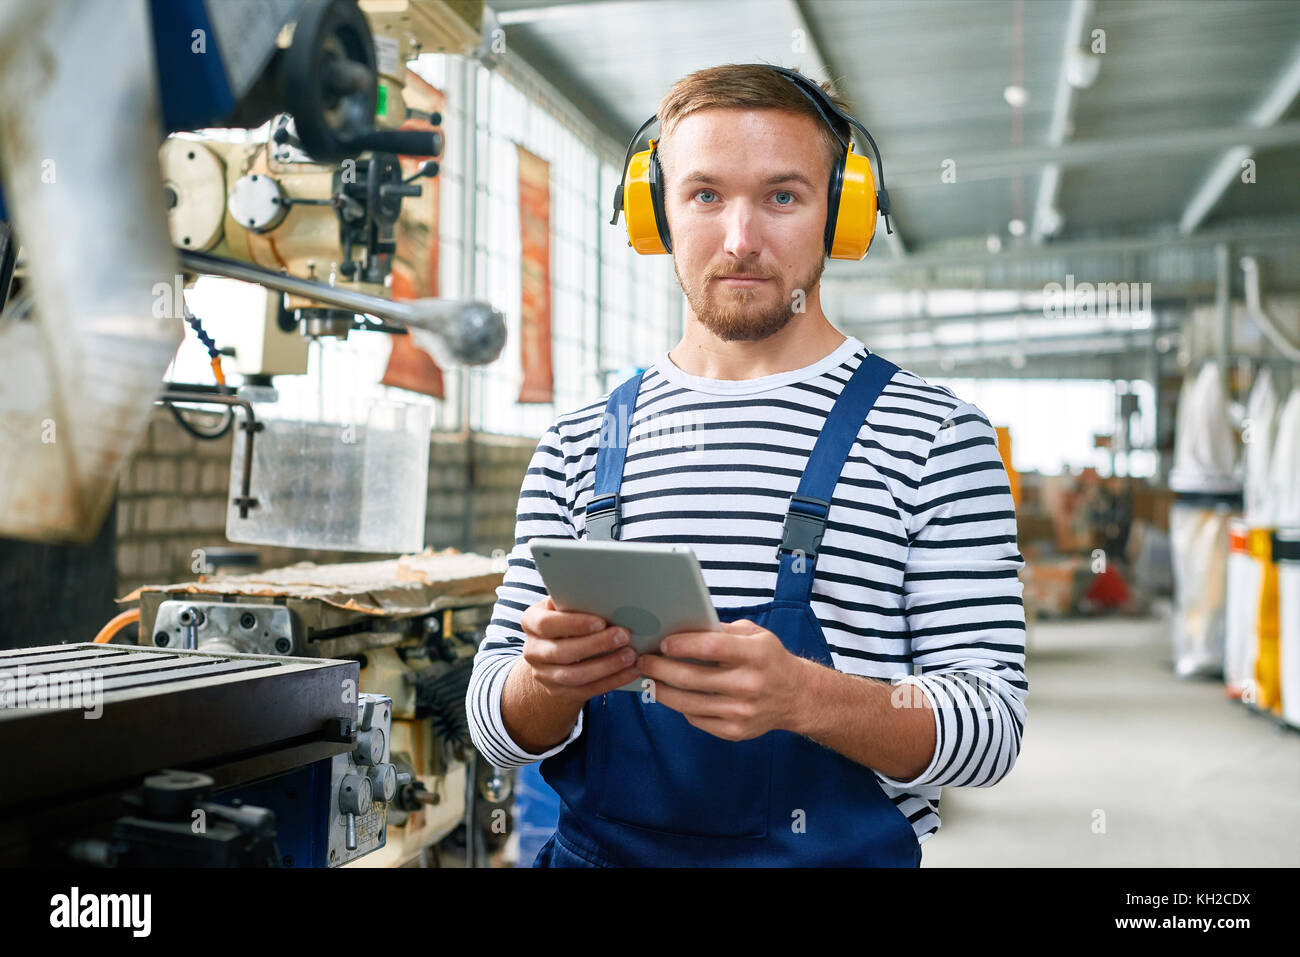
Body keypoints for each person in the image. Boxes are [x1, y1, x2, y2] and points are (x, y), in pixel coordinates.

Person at [466, 63, 1027, 867]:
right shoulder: (577, 443)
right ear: (654, 212)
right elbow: (493, 725)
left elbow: (991, 728)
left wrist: (807, 697)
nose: (740, 240)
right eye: (704, 195)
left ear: (843, 213)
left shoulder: (936, 436)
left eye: (782, 196)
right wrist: (547, 682)